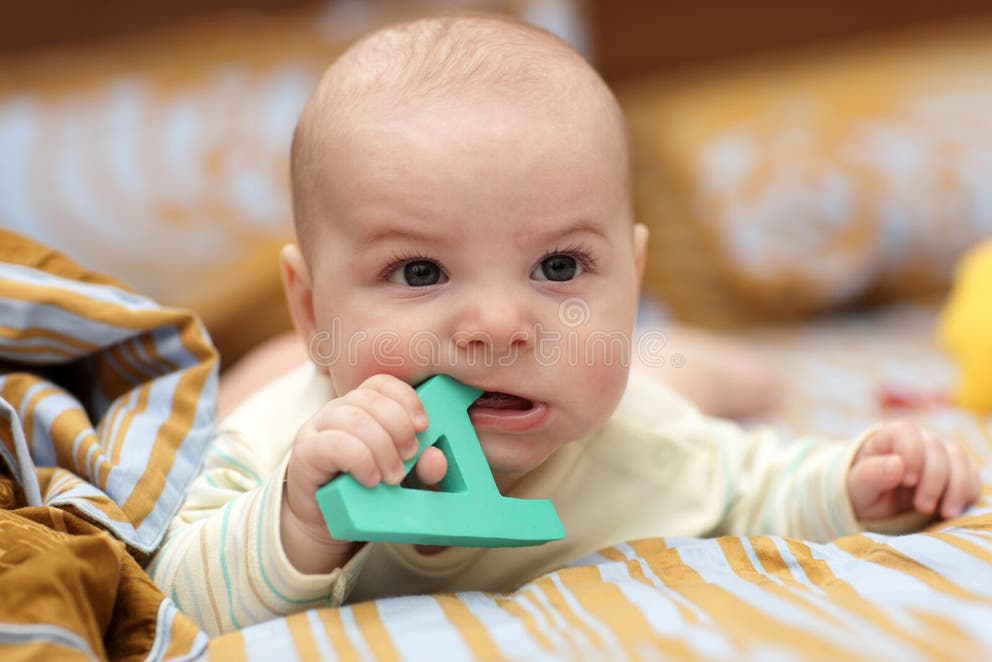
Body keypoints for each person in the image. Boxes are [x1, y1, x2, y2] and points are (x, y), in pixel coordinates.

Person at [148, 14, 981, 636]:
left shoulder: (648, 440)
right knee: (259, 378)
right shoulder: (279, 455)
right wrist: (297, 523)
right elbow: (176, 592)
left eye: (558, 268)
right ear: (312, 302)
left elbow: (754, 484)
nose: (501, 325)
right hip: (295, 373)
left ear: (633, 277)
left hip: (629, 376)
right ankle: (295, 350)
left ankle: (687, 350)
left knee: (671, 380)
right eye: (420, 271)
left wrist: (860, 489)